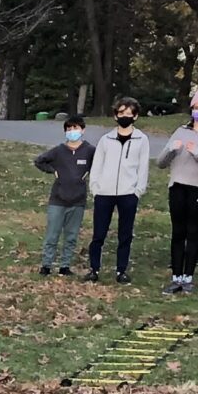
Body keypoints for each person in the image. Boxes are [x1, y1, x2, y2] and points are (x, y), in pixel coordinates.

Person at [155, 85, 198, 293]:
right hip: (177, 186)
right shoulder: (181, 130)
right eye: (197, 107)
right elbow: (161, 162)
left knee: (193, 232)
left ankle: (188, 277)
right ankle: (176, 277)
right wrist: (171, 150)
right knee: (178, 232)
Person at [85, 99, 149, 284]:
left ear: (135, 116)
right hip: (104, 193)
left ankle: (121, 270)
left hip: (128, 193)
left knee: (125, 234)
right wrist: (95, 187)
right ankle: (94, 269)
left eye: (129, 114)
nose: (125, 117)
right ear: (115, 115)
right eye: (121, 113)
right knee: (98, 234)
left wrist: (138, 190)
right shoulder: (106, 139)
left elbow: (143, 167)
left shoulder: (141, 139)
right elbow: (97, 165)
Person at [32, 116, 93, 276]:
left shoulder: (89, 150)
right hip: (58, 200)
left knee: (71, 236)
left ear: (83, 130)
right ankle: (46, 265)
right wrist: (53, 171)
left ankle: (65, 265)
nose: (73, 132)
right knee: (52, 234)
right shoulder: (59, 150)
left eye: (76, 128)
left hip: (78, 200)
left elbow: (99, 165)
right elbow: (39, 161)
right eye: (69, 129)